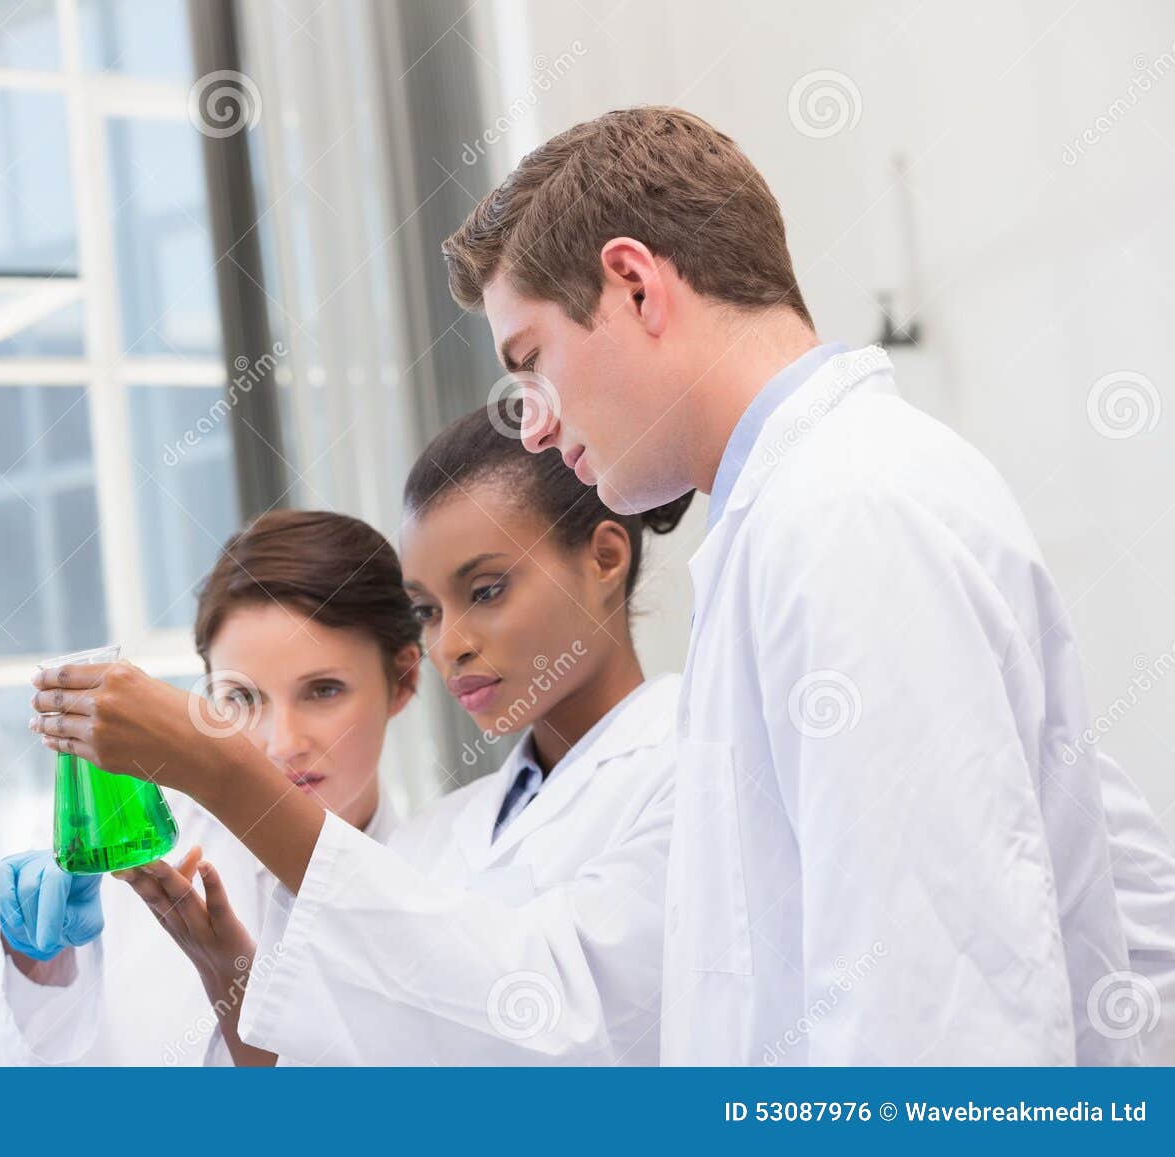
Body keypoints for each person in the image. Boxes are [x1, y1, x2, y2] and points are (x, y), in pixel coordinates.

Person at [439, 104, 1174, 1063]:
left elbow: (934, 1011)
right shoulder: (808, 510)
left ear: (631, 283)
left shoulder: (846, 514)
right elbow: (1121, 899)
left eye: (530, 361)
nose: (530, 426)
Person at [37, 403, 690, 1063]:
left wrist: (224, 770)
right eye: (428, 611)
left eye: (487, 590)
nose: (451, 644)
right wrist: (225, 968)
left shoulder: (690, 769)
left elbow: (555, 1024)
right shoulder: (432, 837)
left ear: (606, 557)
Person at [0, 510, 420, 1065]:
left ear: (403, 680)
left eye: (323, 691)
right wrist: (21, 960)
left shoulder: (440, 883)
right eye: (242, 699)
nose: (282, 742)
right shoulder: (130, 843)